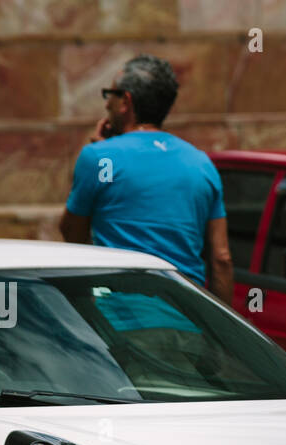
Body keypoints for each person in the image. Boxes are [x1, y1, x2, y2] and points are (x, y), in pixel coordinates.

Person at [59, 54, 233, 303]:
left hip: (121, 319)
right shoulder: (201, 163)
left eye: (111, 94)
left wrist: (102, 156)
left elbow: (72, 235)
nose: (106, 105)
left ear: (125, 102)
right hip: (190, 318)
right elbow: (221, 259)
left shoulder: (99, 158)